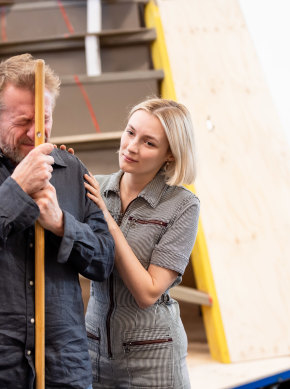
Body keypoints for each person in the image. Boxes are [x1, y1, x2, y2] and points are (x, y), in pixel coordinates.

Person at [0, 53, 114, 389]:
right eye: (22, 122)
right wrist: (16, 191)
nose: (36, 133)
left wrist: (61, 224)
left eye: (44, 120)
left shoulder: (73, 171)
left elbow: (104, 261)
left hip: (65, 369)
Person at [83, 98, 199, 388]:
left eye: (149, 143)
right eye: (130, 132)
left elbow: (147, 292)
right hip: (92, 351)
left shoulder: (183, 205)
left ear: (170, 155)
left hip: (155, 358)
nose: (131, 146)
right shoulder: (94, 187)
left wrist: (108, 223)